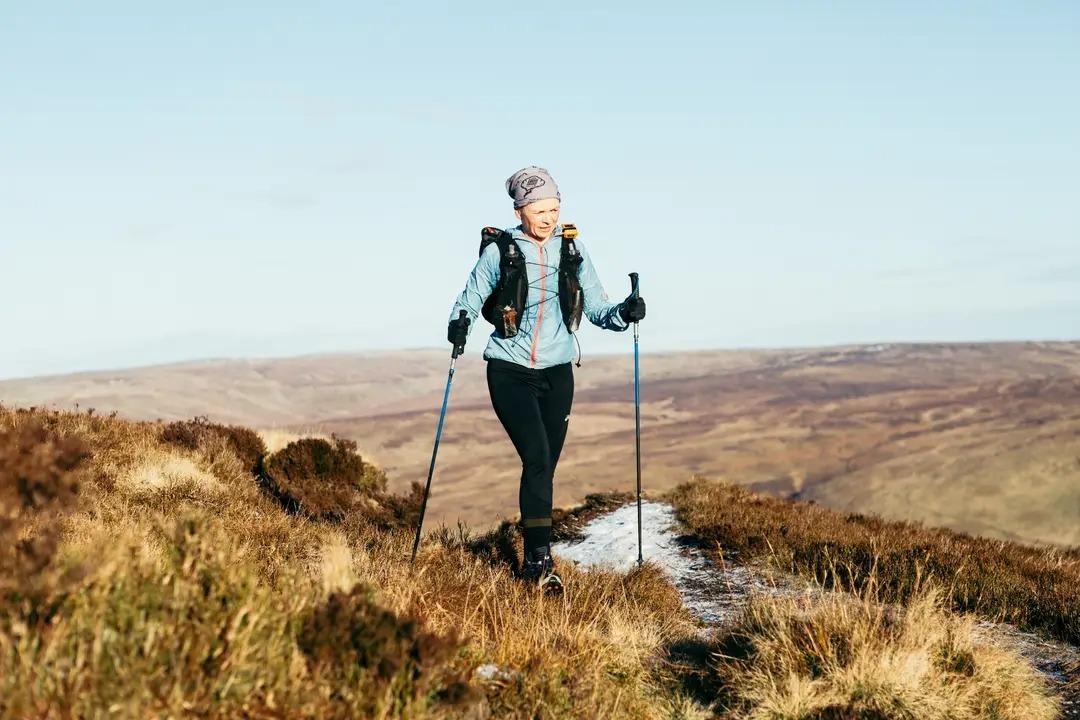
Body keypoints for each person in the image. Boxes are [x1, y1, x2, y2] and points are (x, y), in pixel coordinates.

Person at [447, 166, 646, 588]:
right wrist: (459, 325)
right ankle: (538, 563)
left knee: (545, 467)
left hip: (557, 372)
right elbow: (469, 298)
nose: (549, 217)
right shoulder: (499, 251)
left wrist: (624, 313)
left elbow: (595, 307)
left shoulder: (572, 250)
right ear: (520, 210)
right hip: (509, 369)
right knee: (536, 457)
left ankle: (535, 547)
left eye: (555, 208)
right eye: (540, 209)